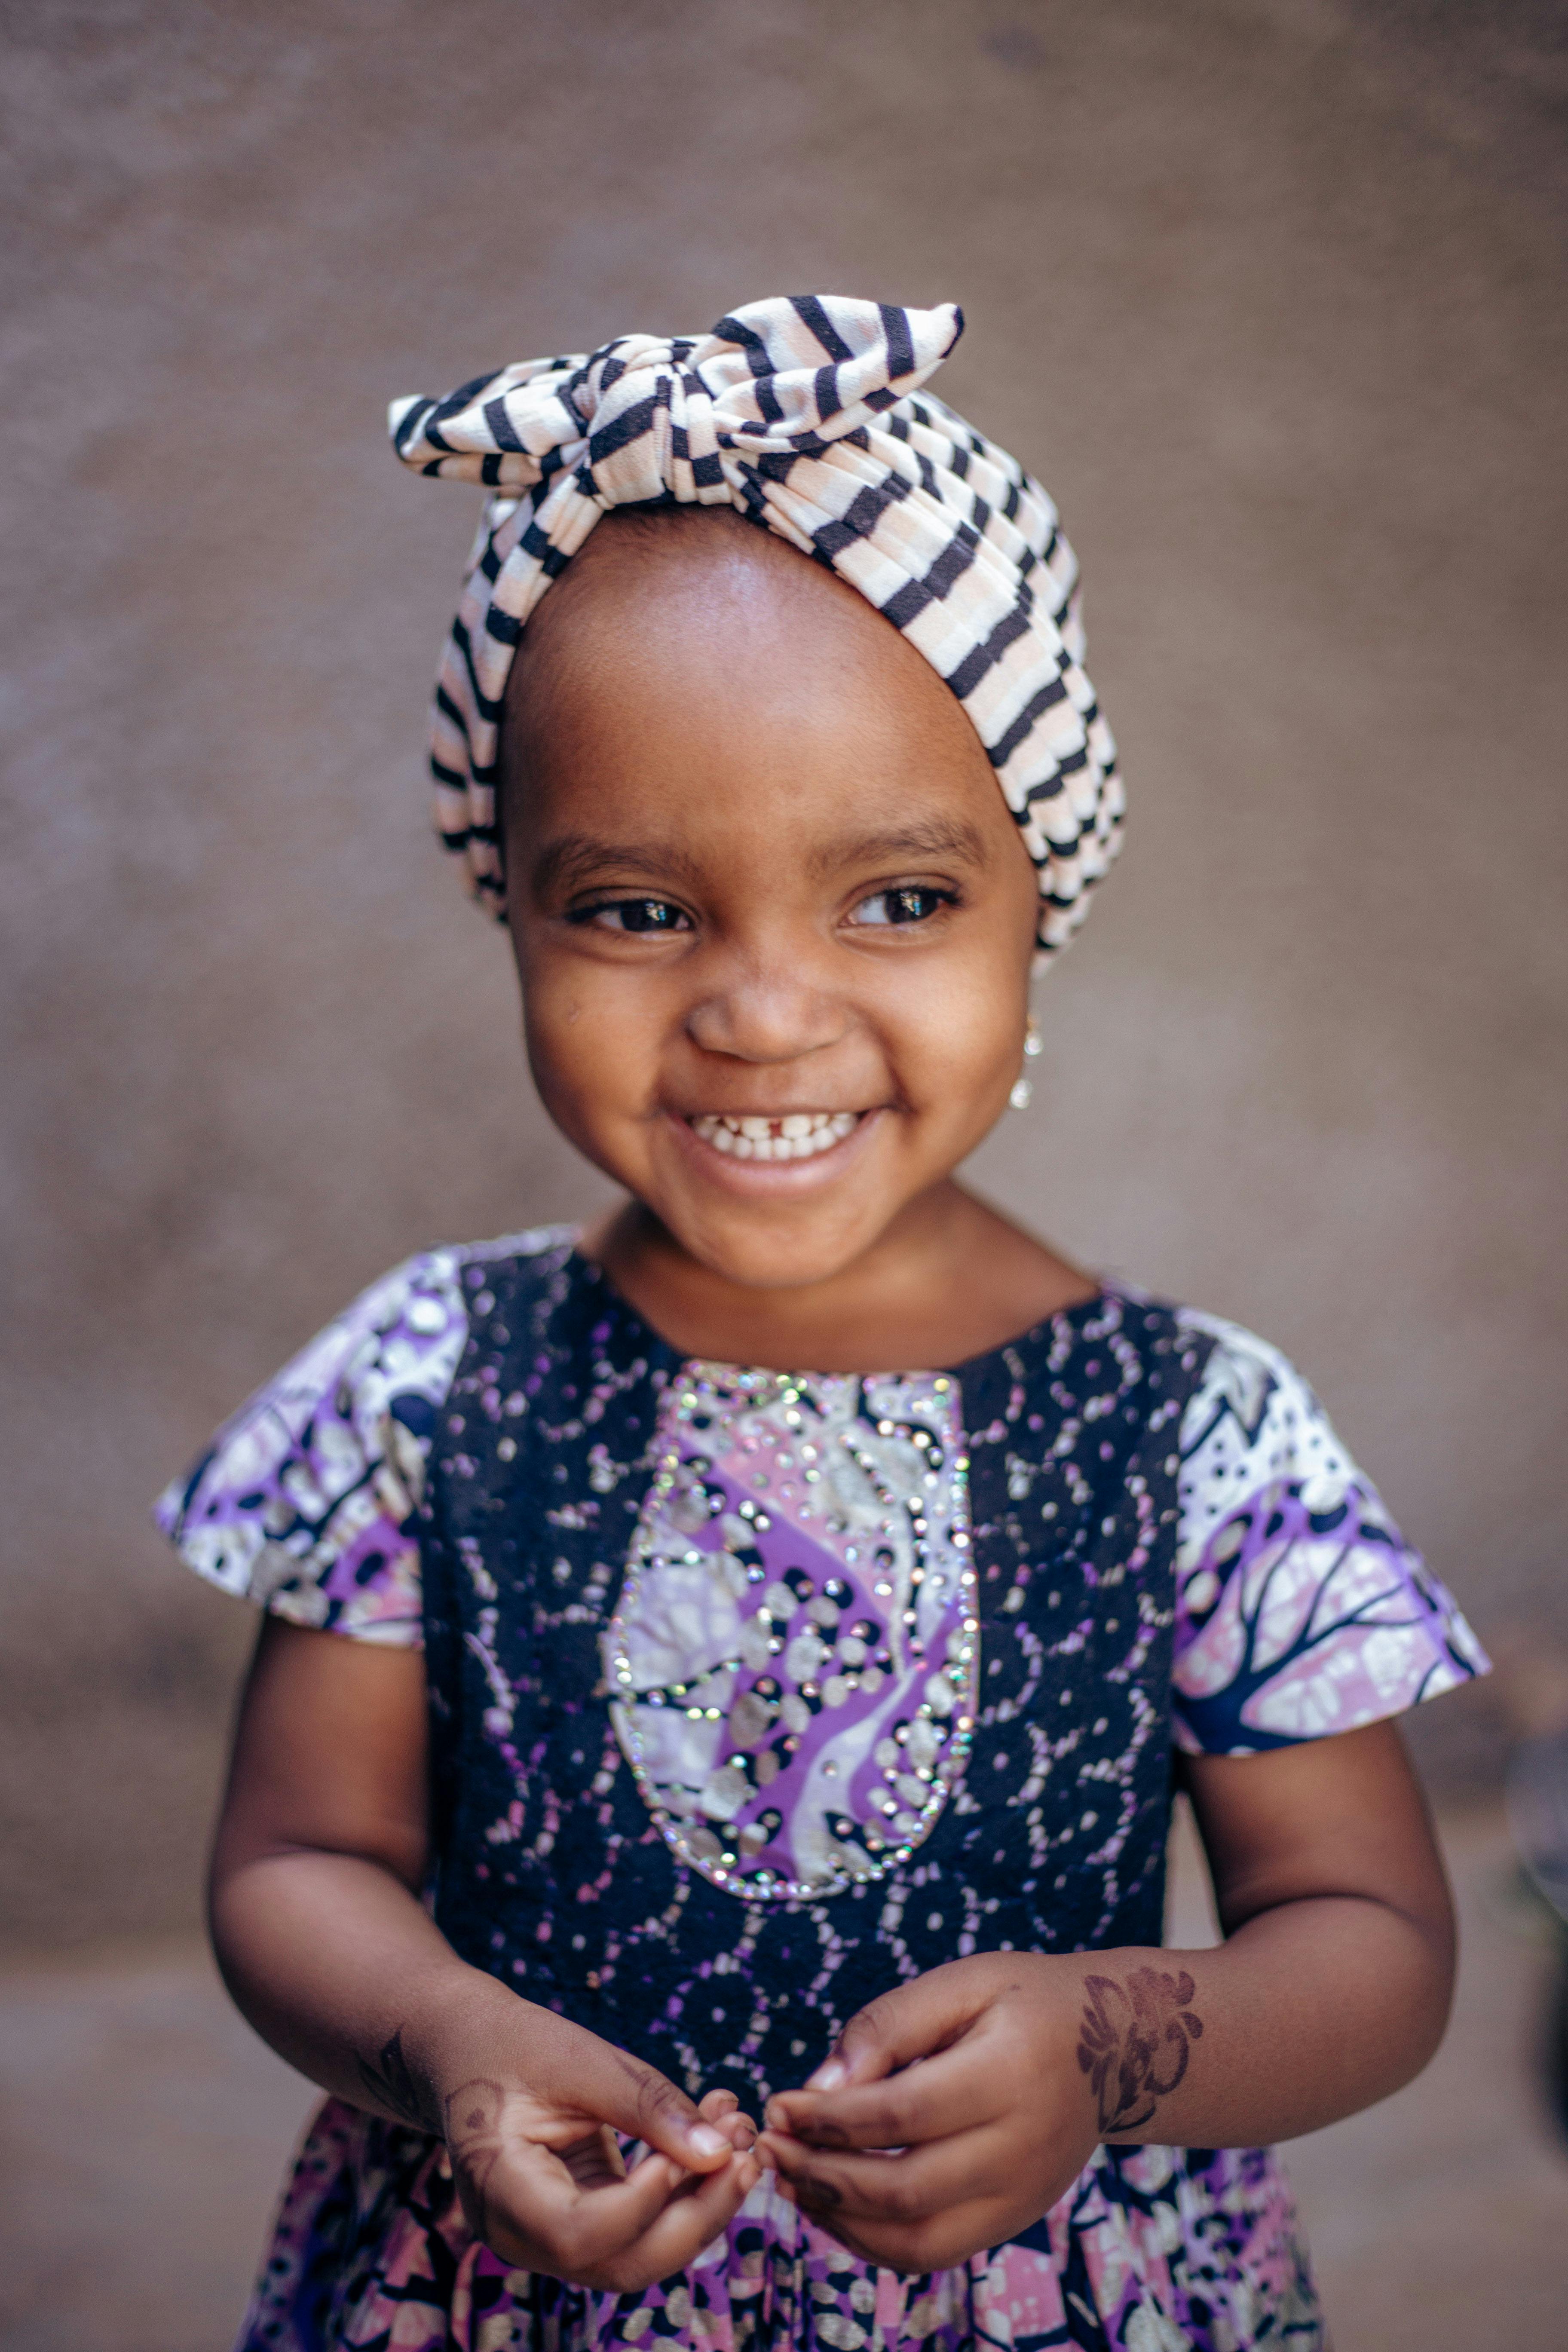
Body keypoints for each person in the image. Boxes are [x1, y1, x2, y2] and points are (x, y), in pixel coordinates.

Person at [157, 296, 1488, 2352]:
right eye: (634, 907)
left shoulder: (1198, 1428)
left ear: (1038, 900)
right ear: (504, 903)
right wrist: (446, 2043)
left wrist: (1109, 2047)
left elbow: (1375, 1945)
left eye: (894, 899)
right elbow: (299, 1860)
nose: (764, 1011)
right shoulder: (427, 1382)